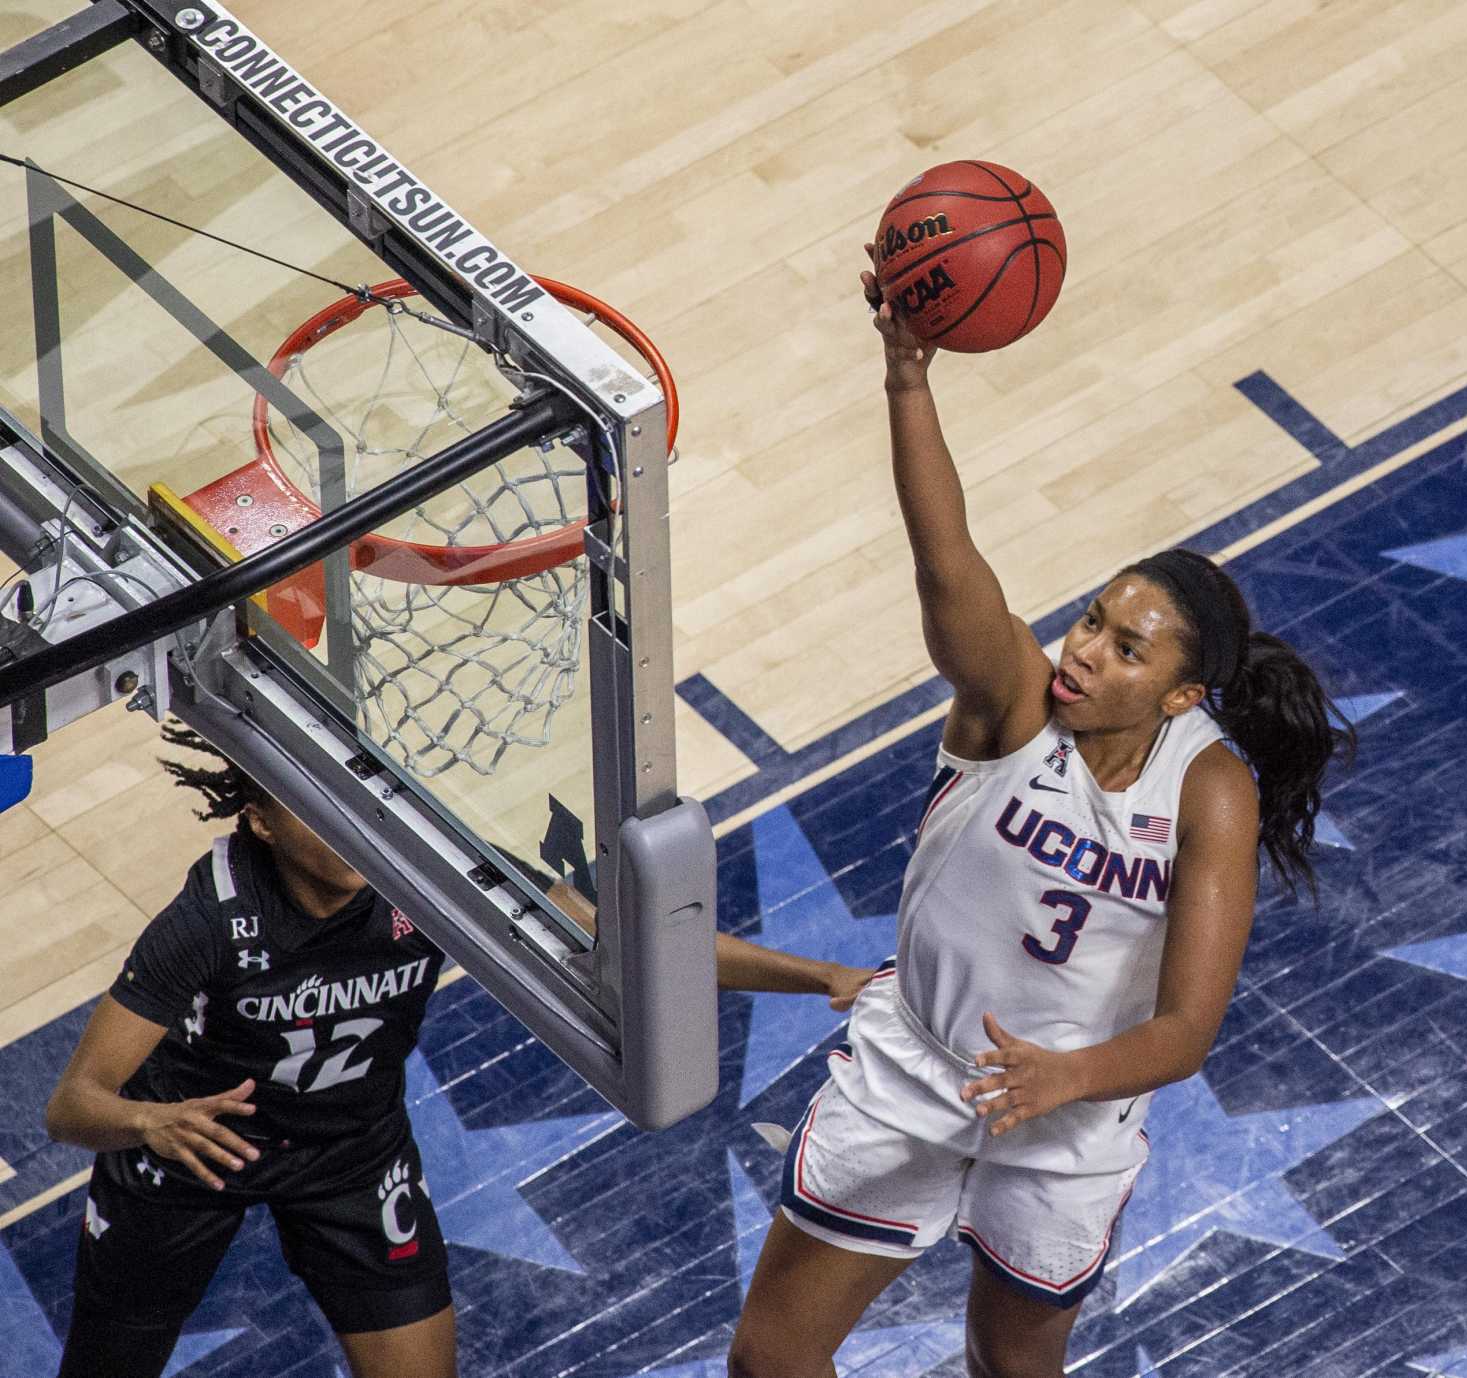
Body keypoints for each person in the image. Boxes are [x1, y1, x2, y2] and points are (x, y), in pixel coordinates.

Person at [725, 256, 1351, 1378]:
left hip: (1069, 1111)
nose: (1082, 649)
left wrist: (1060, 1078)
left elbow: (1185, 1030)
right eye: (1088, 618)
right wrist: (907, 378)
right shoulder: (1012, 705)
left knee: (1012, 1367)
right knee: (770, 1360)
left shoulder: (1210, 788)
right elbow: (944, 560)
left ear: (1178, 694)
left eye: (1124, 646)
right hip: (915, 1065)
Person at [46, 724, 872, 1378]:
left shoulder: (427, 869)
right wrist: (151, 1124)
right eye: (306, 806)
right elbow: (73, 1104)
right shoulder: (208, 922)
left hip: (350, 1155)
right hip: (192, 1160)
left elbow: (630, 944)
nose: (340, 823)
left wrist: (824, 974)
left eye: (345, 796)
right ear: (259, 822)